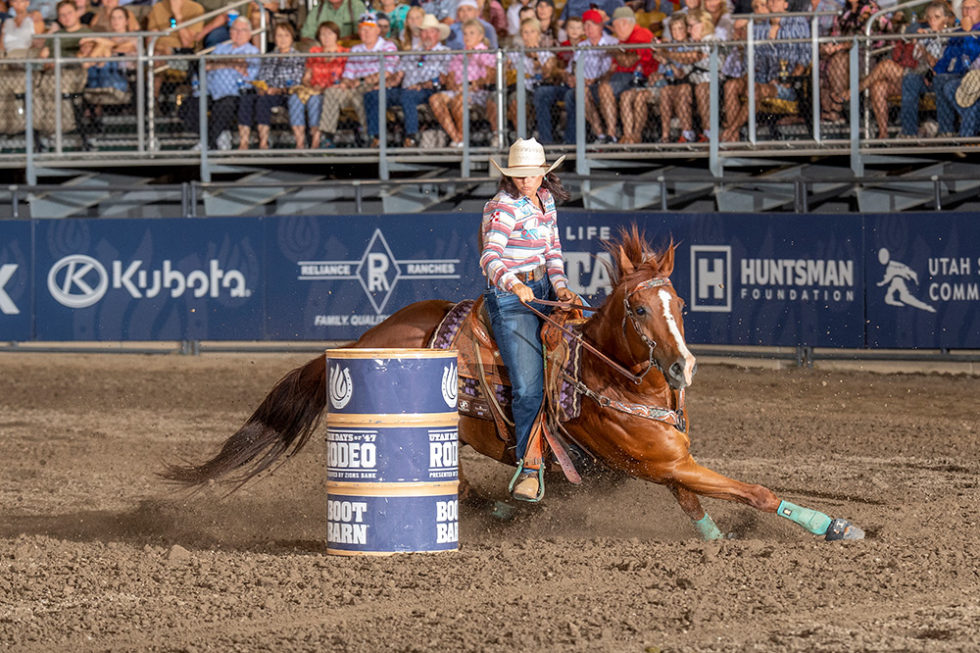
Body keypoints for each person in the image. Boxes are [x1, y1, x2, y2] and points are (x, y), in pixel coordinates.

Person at [480, 137, 574, 501]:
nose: (525, 180)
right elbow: (490, 257)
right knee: (529, 387)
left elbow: (552, 250)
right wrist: (515, 285)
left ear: (542, 173)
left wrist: (561, 288)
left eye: (531, 174)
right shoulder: (505, 207)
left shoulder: (546, 200)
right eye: (518, 175)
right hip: (511, 299)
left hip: (543, 292)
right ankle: (530, 467)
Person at [319, 11, 397, 148]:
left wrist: (361, 81)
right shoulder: (355, 49)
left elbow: (387, 72)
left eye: (369, 29)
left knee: (363, 94)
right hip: (353, 87)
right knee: (332, 91)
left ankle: (371, 136)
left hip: (373, 87)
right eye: (362, 29)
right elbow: (348, 74)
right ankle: (327, 136)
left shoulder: (387, 46)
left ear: (377, 30)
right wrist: (344, 84)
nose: (365, 33)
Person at [181, 15, 259, 150]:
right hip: (210, 91)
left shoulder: (252, 51)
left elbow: (247, 70)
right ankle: (218, 135)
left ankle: (208, 143)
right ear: (230, 32)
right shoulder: (221, 48)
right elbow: (206, 66)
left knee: (224, 106)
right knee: (186, 108)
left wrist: (218, 63)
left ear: (249, 34)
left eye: (243, 30)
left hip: (235, 93)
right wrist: (233, 63)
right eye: (235, 29)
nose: (238, 33)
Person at [384, 13, 450, 147]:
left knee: (408, 96)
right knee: (375, 95)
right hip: (405, 90)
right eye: (424, 31)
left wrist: (422, 84)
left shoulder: (446, 52)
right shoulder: (413, 52)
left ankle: (411, 136)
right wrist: (384, 84)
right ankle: (376, 136)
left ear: (438, 34)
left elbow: (445, 78)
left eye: (431, 31)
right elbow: (398, 75)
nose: (427, 35)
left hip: (429, 90)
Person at [237, 21, 305, 149]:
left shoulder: (298, 57)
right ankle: (246, 142)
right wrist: (262, 88)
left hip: (287, 94)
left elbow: (297, 81)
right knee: (248, 99)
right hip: (268, 93)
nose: (282, 39)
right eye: (279, 35)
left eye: (286, 35)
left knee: (266, 101)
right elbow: (261, 77)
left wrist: (278, 90)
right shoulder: (269, 57)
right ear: (274, 38)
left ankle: (268, 142)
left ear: (292, 37)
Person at [429, 17, 496, 147]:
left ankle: (462, 138)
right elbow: (450, 80)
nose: (467, 37)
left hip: (478, 93)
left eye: (472, 33)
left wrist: (470, 85)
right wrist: (455, 86)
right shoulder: (459, 55)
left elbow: (490, 78)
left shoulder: (486, 53)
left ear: (480, 36)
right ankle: (457, 138)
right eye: (465, 33)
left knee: (458, 100)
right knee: (435, 99)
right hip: (458, 90)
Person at [594, 6, 656, 143]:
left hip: (641, 77)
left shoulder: (641, 34)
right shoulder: (623, 40)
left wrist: (615, 51)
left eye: (615, 26)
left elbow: (628, 61)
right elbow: (617, 65)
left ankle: (614, 133)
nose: (614, 30)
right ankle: (615, 135)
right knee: (595, 89)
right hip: (625, 77)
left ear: (624, 23)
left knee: (606, 88)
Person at [898, 2, 954, 138]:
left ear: (946, 19)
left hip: (946, 77)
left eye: (937, 17)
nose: (932, 21)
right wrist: (918, 42)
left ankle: (946, 131)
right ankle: (909, 132)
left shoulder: (951, 35)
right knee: (910, 79)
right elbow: (917, 58)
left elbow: (940, 64)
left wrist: (926, 54)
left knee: (941, 80)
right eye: (929, 18)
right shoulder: (926, 35)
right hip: (926, 77)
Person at [562, 8, 618, 143]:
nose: (589, 28)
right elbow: (571, 68)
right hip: (585, 85)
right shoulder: (582, 45)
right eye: (586, 25)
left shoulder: (612, 42)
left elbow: (614, 68)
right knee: (581, 92)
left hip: (607, 83)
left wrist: (595, 80)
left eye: (592, 24)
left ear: (600, 26)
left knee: (600, 89)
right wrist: (572, 78)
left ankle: (612, 134)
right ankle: (600, 134)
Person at [291, 20, 347, 148]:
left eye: (329, 34)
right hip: (315, 89)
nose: (326, 37)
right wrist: (310, 85)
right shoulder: (315, 52)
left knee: (316, 100)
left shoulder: (344, 53)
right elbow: (306, 77)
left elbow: (348, 76)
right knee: (298, 99)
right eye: (322, 34)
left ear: (336, 35)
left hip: (334, 91)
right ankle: (300, 142)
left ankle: (316, 139)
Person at [507, 17, 564, 143]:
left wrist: (535, 59)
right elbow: (505, 72)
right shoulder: (514, 54)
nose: (529, 36)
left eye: (532, 32)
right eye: (525, 32)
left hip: (539, 90)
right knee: (516, 98)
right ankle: (521, 137)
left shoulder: (548, 55)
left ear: (539, 35)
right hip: (520, 89)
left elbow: (547, 75)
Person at [300, 0, 367, 42]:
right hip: (325, 54)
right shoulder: (318, 9)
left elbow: (365, 33)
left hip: (350, 53)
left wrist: (339, 42)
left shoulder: (356, 5)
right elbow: (305, 37)